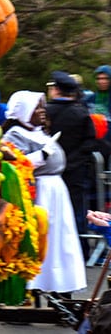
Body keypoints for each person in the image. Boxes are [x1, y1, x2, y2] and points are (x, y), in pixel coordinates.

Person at [1, 90, 85, 295]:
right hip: (39, 191)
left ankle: (62, 285)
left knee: (61, 238)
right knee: (43, 237)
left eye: (42, 106)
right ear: (23, 111)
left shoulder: (40, 132)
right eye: (36, 107)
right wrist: (41, 155)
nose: (41, 111)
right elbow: (16, 164)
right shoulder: (14, 135)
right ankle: (36, 284)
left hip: (56, 190)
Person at [45, 71, 99, 241]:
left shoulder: (45, 112)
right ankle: (80, 247)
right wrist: (74, 161)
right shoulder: (81, 113)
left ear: (56, 90)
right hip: (75, 171)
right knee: (76, 213)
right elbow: (90, 142)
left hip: (48, 171)